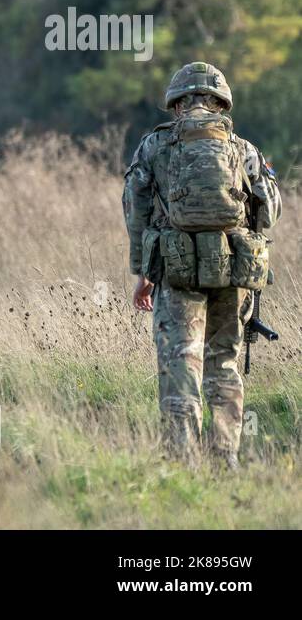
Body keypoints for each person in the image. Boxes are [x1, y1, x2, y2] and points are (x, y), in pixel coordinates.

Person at [123, 61, 281, 469]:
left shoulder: (155, 146)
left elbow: (135, 207)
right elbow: (269, 213)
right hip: (234, 272)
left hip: (175, 272)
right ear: (220, 104)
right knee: (224, 362)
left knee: (180, 361)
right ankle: (225, 457)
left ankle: (182, 461)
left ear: (176, 103)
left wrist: (142, 271)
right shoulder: (244, 149)